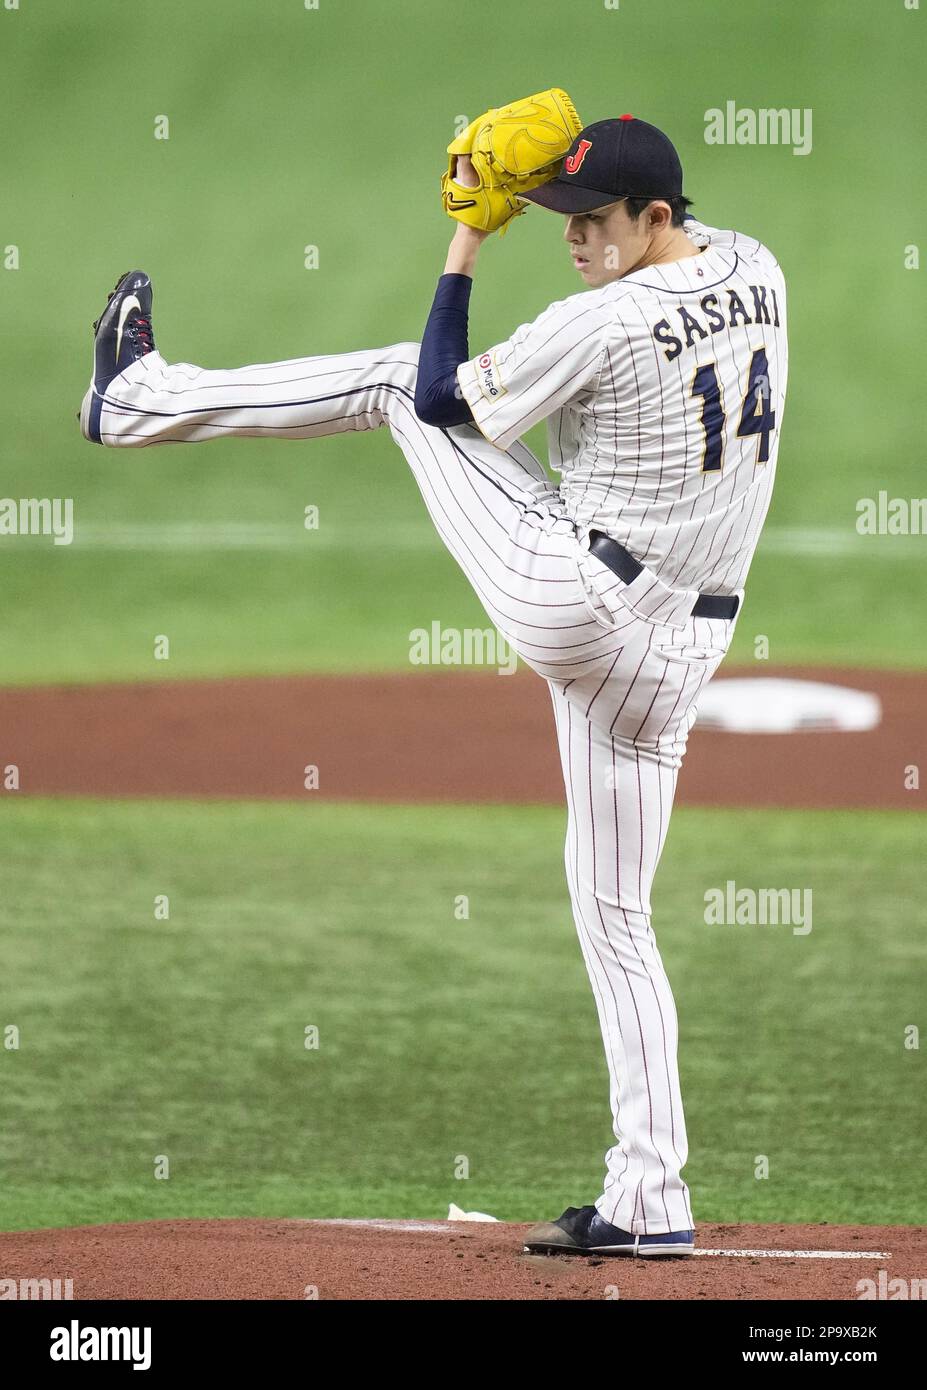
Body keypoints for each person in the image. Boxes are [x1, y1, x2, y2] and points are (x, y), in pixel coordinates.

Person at [78, 113, 788, 1258]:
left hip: (577, 601)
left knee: (387, 386)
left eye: (593, 219)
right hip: (681, 655)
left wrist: (465, 241)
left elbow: (444, 390)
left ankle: (135, 401)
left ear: (656, 219)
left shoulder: (600, 319)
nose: (570, 236)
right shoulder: (757, 267)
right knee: (618, 919)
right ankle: (651, 1195)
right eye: (561, 216)